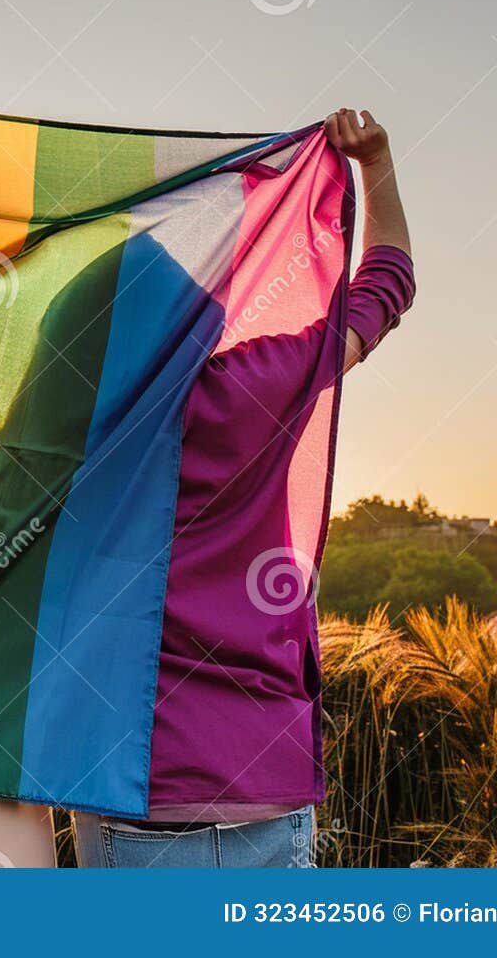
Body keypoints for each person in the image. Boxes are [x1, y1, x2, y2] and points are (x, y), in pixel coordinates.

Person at [68, 107, 415, 868]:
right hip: (260, 772)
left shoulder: (65, 433)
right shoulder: (248, 391)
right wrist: (376, 163)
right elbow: (387, 285)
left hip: (121, 783)